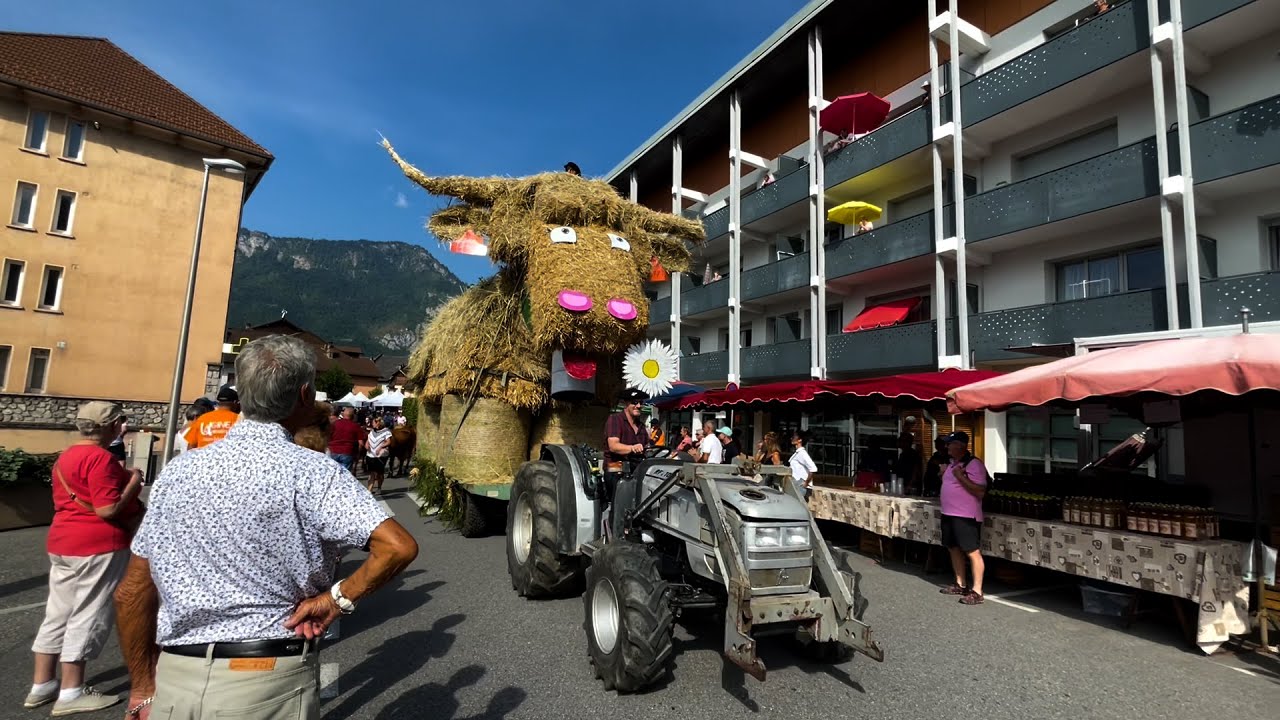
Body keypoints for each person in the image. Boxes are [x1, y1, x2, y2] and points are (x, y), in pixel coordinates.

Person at [112, 334, 419, 720]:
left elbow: (132, 591)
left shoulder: (178, 473)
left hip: (176, 680)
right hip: (265, 678)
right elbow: (397, 546)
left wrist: (142, 687)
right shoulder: (312, 471)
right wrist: (336, 600)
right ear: (305, 395)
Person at [27, 401, 144, 715]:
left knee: (58, 612)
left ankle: (42, 684)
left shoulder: (66, 456)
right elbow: (107, 509)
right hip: (98, 544)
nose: (124, 428)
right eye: (121, 422)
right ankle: (71, 691)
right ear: (110, 425)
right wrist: (134, 483)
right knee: (89, 613)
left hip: (63, 539)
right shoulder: (101, 458)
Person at [938, 431, 989, 606]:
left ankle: (977, 590)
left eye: (950, 444)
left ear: (960, 445)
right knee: (953, 547)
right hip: (949, 512)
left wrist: (960, 477)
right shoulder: (953, 464)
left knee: (972, 551)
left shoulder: (974, 464)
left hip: (965, 514)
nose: (947, 447)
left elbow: (980, 491)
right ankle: (960, 583)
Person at [604, 388, 650, 501]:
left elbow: (647, 448)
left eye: (641, 402)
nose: (638, 405)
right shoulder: (615, 419)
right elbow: (613, 446)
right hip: (615, 467)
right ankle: (613, 512)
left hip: (635, 469)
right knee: (620, 498)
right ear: (626, 403)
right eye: (634, 402)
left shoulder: (642, 427)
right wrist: (632, 448)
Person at [184, 386, 240, 450]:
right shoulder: (238, 420)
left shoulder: (202, 419)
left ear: (218, 402)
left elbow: (191, 446)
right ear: (235, 402)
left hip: (202, 458)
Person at [328, 406, 365, 472]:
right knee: (345, 474)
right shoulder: (356, 426)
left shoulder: (335, 423)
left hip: (333, 450)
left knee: (332, 472)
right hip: (347, 451)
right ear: (353, 416)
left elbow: (328, 436)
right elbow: (361, 443)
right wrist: (358, 454)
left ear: (342, 414)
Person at [365, 417, 392, 494]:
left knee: (379, 473)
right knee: (371, 472)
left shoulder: (386, 431)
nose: (372, 424)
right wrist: (366, 445)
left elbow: (388, 442)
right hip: (370, 455)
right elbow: (368, 440)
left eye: (373, 422)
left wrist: (381, 447)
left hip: (380, 455)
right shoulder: (372, 431)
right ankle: (369, 490)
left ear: (378, 423)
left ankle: (379, 488)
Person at [789, 430, 818, 498]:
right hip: (796, 484)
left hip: (801, 486)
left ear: (800, 440)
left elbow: (813, 468)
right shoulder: (798, 453)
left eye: (794, 437)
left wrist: (806, 483)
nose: (792, 438)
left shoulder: (802, 453)